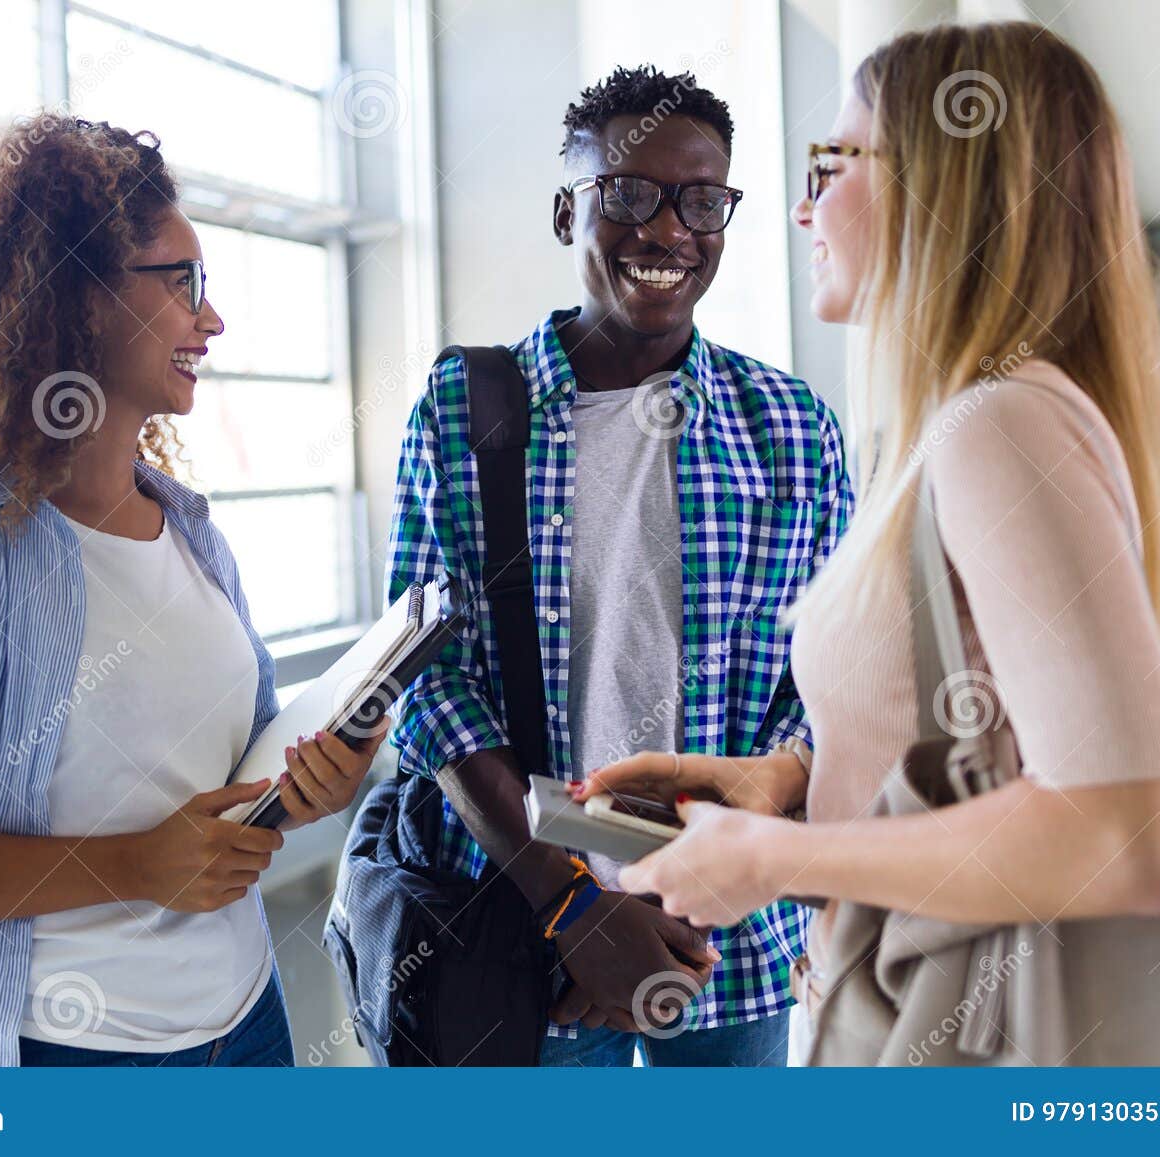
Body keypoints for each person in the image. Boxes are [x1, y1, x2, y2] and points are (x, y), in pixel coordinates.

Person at [579, 22, 1160, 1061]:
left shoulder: (1000, 427)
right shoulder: (976, 423)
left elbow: (1130, 835)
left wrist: (775, 860)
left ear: (943, 180)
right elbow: (977, 750)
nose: (799, 204)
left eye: (831, 162)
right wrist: (783, 786)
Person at [0, 115, 382, 1067]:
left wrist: (311, 782)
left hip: (246, 1023)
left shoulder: (191, 528)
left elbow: (226, 761)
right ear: (77, 296)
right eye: (184, 282)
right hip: (64, 1054)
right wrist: (129, 867)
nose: (213, 319)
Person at [387, 65, 852, 1066]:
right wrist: (571, 904)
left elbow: (829, 679)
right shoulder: (467, 413)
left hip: (727, 936)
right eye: (630, 193)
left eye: (701, 200)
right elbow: (428, 684)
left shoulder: (791, 428)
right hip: (519, 921)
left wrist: (735, 845)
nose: (668, 229)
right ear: (569, 212)